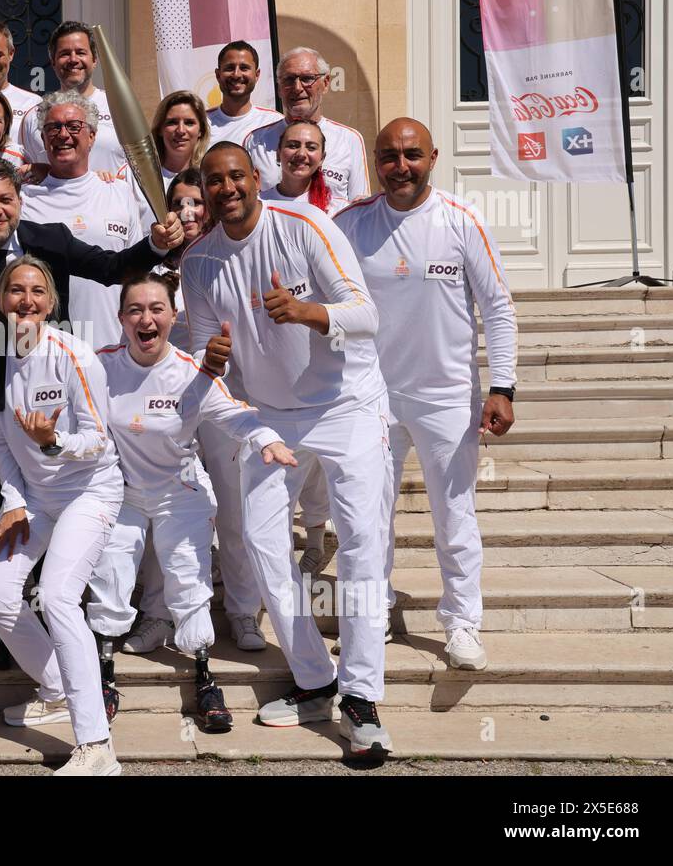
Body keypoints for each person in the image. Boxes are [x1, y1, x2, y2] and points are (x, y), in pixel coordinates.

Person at [0, 158, 181, 672]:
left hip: (50, 399)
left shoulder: (51, 239)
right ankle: (2, 627)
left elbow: (112, 268)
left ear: (19, 202)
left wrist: (154, 245)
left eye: (4, 199)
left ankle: (60, 612)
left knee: (52, 505)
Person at [182, 142, 393, 756]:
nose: (227, 189)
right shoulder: (199, 262)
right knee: (264, 544)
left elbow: (367, 313)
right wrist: (209, 360)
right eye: (214, 181)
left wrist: (308, 312)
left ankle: (361, 695)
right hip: (271, 418)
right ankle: (314, 678)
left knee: (359, 546)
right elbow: (203, 355)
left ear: (257, 178)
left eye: (237, 177)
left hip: (347, 405)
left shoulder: (304, 226)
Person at [337, 117, 518, 672]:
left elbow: (498, 307)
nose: (400, 167)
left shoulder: (461, 220)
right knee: (367, 521)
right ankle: (371, 618)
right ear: (374, 160)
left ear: (433, 157)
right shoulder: (349, 224)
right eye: (389, 155)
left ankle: (462, 623)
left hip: (447, 398)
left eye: (411, 155)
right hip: (371, 399)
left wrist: (502, 387)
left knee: (454, 516)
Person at [88, 273, 295, 730]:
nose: (147, 319)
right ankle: (102, 676)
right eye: (136, 310)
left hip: (179, 494)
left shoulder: (189, 373)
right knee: (110, 572)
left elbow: (235, 414)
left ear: (173, 316)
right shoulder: (100, 364)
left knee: (188, 580)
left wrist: (266, 438)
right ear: (121, 319)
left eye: (156, 309)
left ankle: (204, 675)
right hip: (120, 493)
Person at [0, 255, 124, 775]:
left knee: (59, 596)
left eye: (38, 292)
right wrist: (14, 502)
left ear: (52, 303)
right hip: (35, 498)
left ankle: (97, 746)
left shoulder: (75, 355)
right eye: (16, 291)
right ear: (0, 299)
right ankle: (58, 687)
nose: (27, 301)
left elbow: (99, 441)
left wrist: (53, 440)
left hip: (90, 490)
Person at [120, 171, 271, 655]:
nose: (189, 212)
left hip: (221, 395)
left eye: (196, 203)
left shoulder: (224, 260)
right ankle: (158, 614)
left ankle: (243, 610)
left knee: (232, 507)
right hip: (162, 406)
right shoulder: (147, 271)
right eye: (178, 203)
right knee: (162, 511)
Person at [259, 119, 348, 579]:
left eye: (310, 146)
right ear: (277, 152)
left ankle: (317, 539)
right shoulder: (261, 204)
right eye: (292, 145)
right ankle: (273, 565)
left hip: (331, 333)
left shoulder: (340, 207)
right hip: (279, 331)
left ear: (323, 156)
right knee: (290, 455)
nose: (300, 153)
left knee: (320, 458)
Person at [22, 90, 155, 350]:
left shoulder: (118, 192)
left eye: (74, 126)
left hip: (113, 347)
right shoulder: (24, 198)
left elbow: (136, 274)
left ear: (92, 136)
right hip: (45, 352)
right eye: (53, 128)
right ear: (43, 137)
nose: (63, 135)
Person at [243, 47, 370, 206]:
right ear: (279, 88)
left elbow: (357, 207)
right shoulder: (255, 141)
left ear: (325, 83)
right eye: (289, 79)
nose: (297, 87)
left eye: (307, 78)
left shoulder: (349, 139)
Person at [19, 21, 126, 173]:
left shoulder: (118, 108)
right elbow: (26, 172)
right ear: (53, 63)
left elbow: (136, 171)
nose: (73, 59)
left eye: (81, 52)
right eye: (65, 54)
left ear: (94, 60)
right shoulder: (33, 117)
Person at [206, 41, 281, 146]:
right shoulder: (201, 123)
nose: (236, 74)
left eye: (244, 68)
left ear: (257, 75)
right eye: (230, 68)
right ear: (218, 75)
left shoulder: (275, 123)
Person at [150, 91, 210, 189]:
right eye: (172, 122)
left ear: (201, 131)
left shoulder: (210, 177)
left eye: (189, 123)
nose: (181, 130)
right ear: (160, 129)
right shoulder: (136, 176)